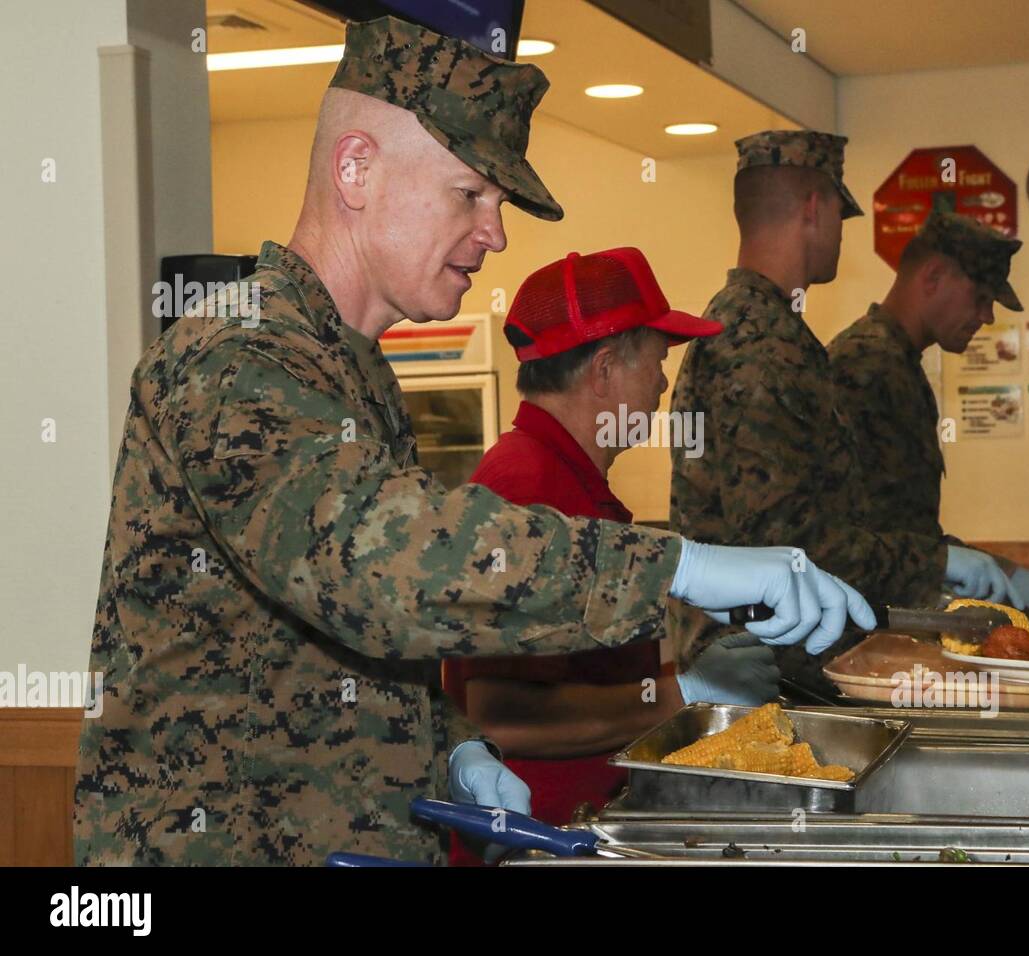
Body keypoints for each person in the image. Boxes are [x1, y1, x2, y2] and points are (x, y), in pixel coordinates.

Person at [74, 18, 870, 866]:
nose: (496, 235)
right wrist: (680, 568)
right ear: (355, 170)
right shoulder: (237, 349)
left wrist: (449, 746)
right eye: (470, 195)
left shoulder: (352, 369)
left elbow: (333, 640)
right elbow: (366, 561)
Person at [442, 248, 780, 864]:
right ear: (604, 371)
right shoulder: (525, 490)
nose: (662, 382)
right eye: (657, 360)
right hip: (534, 843)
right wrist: (686, 696)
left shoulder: (576, 486)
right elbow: (498, 716)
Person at [669, 130, 1021, 697]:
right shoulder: (760, 341)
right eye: (840, 213)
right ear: (815, 206)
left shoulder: (764, 328)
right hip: (770, 661)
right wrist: (936, 562)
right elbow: (788, 538)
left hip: (789, 649)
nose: (840, 235)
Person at [828, 210, 1029, 608]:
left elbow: (905, 523)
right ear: (933, 277)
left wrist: (994, 567)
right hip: (865, 613)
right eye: (982, 298)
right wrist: (982, 569)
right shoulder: (867, 365)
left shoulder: (896, 363)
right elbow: (861, 532)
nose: (987, 317)